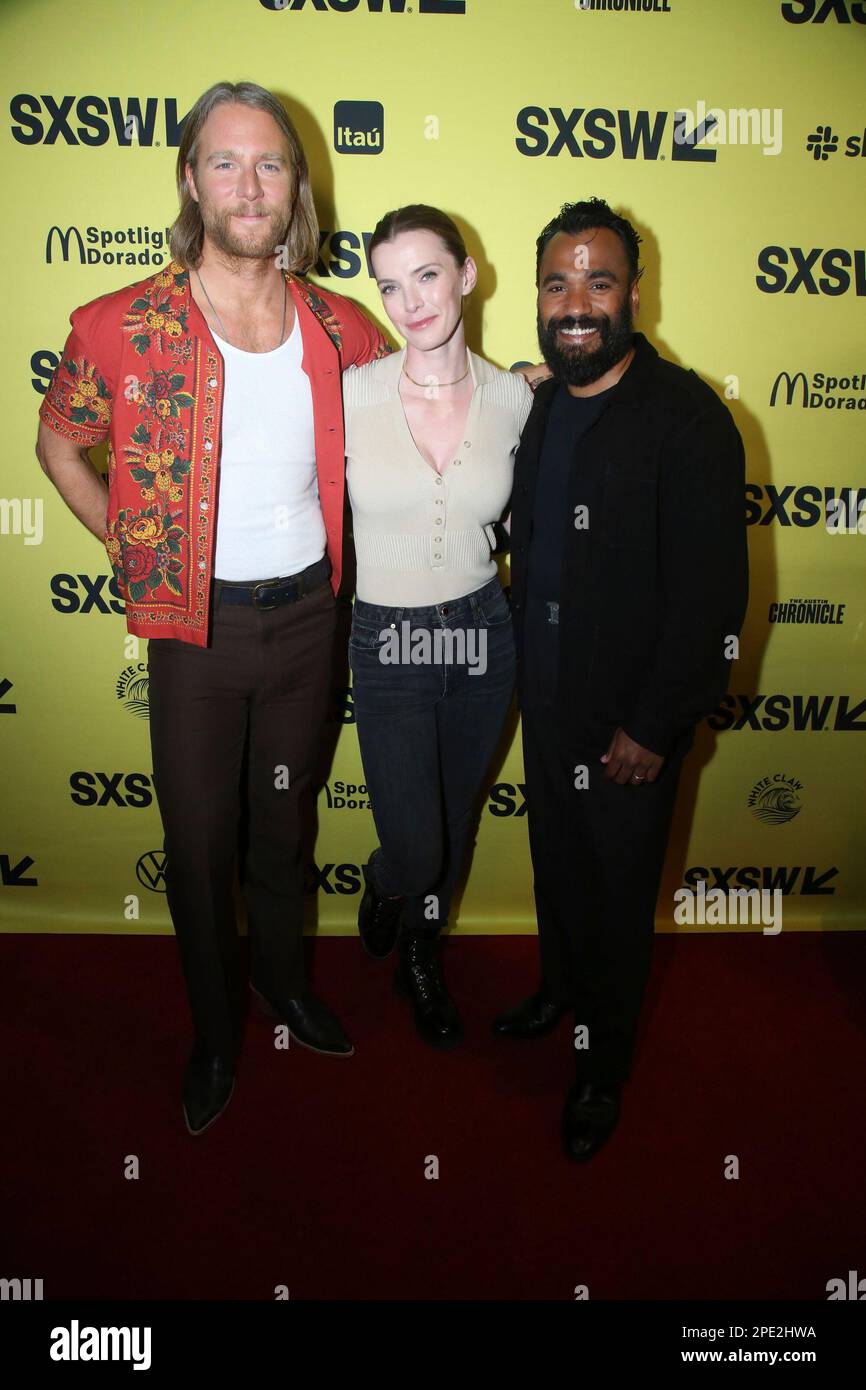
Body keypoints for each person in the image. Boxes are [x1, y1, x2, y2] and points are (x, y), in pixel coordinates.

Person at [35, 81, 391, 1137]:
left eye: (270, 163)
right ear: (191, 179)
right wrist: (133, 543)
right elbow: (59, 442)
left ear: (296, 185)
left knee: (282, 822)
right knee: (198, 842)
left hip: (309, 620)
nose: (249, 184)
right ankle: (214, 1032)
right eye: (226, 162)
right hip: (195, 629)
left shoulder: (342, 326)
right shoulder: (119, 326)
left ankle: (282, 983)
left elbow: (420, 414)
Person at [496, 198, 748, 1161]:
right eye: (558, 282)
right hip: (550, 700)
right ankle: (561, 994)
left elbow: (714, 593)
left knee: (615, 898)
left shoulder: (687, 417)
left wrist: (653, 723)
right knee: (557, 871)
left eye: (598, 282)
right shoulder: (547, 404)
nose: (576, 303)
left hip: (630, 728)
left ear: (633, 293)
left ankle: (600, 1071)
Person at [343, 205, 533, 1048]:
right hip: (388, 641)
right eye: (389, 284)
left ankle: (420, 954)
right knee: (416, 847)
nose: (410, 301)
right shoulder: (348, 394)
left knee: (454, 827)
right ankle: (389, 884)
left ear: (467, 274)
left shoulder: (516, 396)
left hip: (482, 633)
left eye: (426, 275)